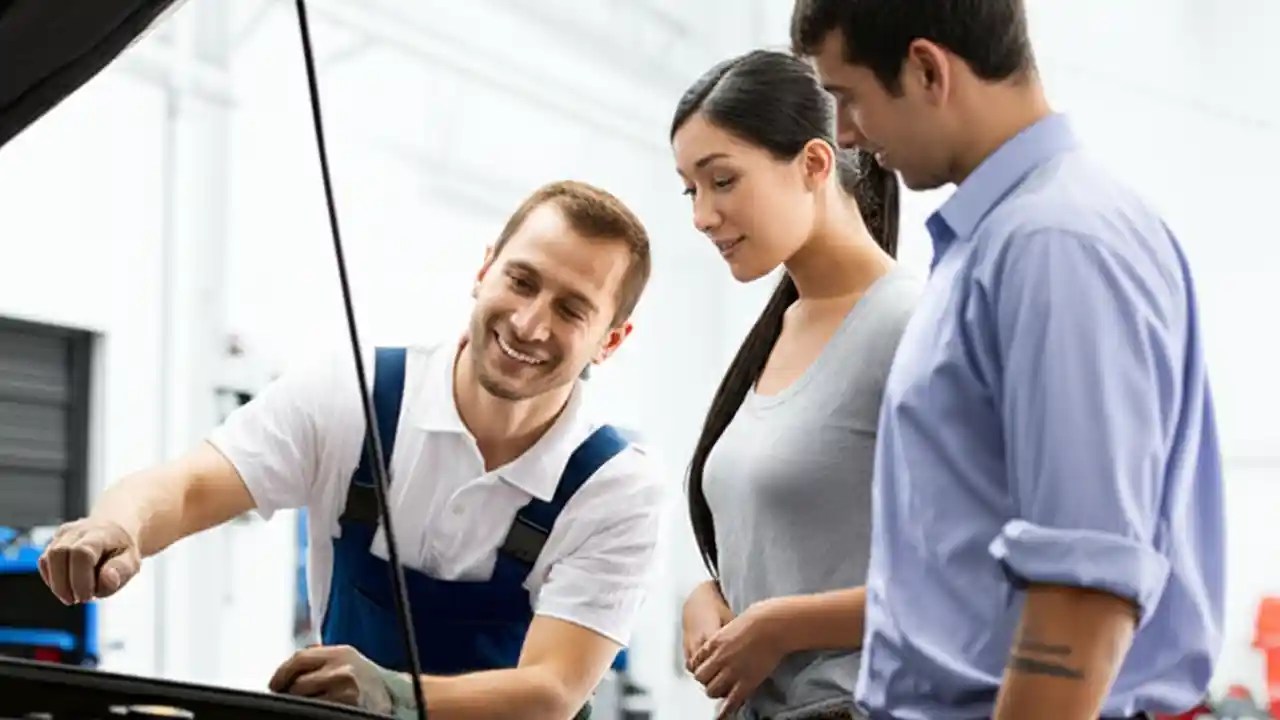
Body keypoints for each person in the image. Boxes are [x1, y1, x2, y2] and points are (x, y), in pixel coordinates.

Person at [37, 180, 666, 719]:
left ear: (610, 341)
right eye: (521, 281)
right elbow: (192, 484)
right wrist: (117, 523)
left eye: (571, 309)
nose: (530, 323)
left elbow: (551, 692)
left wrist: (389, 694)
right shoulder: (355, 398)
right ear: (484, 269)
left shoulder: (614, 488)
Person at [789, 1, 1226, 719]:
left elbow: (1081, 591)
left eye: (848, 98)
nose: (847, 135)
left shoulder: (1056, 244)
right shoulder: (999, 241)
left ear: (928, 69)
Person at [671, 50, 921, 720]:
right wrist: (712, 597)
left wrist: (779, 627)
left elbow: (970, 580)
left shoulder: (912, 325)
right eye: (689, 190)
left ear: (814, 163)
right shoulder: (776, 333)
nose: (700, 215)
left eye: (722, 180)